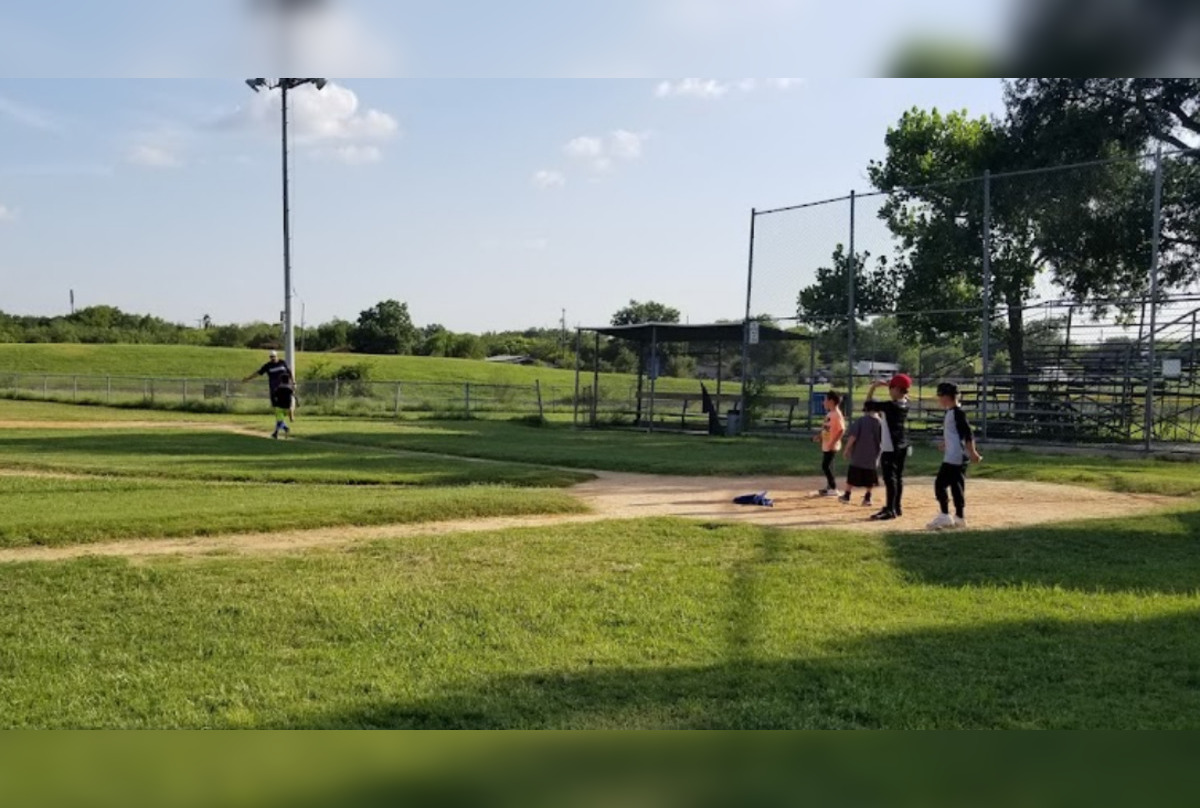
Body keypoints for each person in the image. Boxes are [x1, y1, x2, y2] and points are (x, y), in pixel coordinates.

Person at [927, 382, 984, 531]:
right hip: (955, 454)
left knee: (940, 484)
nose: (939, 399)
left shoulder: (957, 413)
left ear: (946, 397)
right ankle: (959, 517)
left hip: (955, 457)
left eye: (940, 396)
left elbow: (967, 434)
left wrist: (973, 452)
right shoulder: (951, 412)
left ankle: (945, 515)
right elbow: (955, 434)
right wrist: (946, 443)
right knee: (956, 486)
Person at [867, 374, 912, 522]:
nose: (889, 390)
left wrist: (873, 387)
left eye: (892, 388)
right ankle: (895, 507)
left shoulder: (890, 406)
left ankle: (890, 509)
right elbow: (903, 395)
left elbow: (868, 405)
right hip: (903, 444)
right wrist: (895, 386)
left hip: (890, 446)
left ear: (898, 389)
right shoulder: (905, 403)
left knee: (889, 478)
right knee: (898, 477)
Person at [243, 350, 296, 439]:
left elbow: (289, 372)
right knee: (277, 411)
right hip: (275, 391)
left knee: (282, 410)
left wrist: (293, 382)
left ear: (277, 356)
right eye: (271, 357)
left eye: (274, 356)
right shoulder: (268, 366)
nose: (272, 358)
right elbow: (258, 373)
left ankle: (282, 426)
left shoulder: (282, 363)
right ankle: (278, 431)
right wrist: (248, 378)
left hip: (285, 389)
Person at [840, 401, 884, 508]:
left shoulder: (861, 420)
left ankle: (847, 495)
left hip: (858, 455)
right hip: (873, 456)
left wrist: (846, 449)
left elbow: (853, 437)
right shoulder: (881, 423)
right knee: (870, 477)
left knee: (853, 475)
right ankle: (867, 497)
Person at [813, 391, 846, 496]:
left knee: (825, 466)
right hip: (827, 444)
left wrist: (833, 442)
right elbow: (826, 428)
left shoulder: (837, 414)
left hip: (832, 445)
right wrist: (819, 436)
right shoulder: (830, 414)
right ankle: (829, 487)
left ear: (831, 401)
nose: (824, 402)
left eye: (825, 400)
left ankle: (833, 488)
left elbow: (842, 430)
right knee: (828, 466)